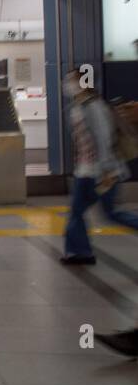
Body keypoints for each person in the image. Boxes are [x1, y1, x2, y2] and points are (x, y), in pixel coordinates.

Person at [60, 68, 138, 265]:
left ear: (83, 83)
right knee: (77, 212)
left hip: (103, 172)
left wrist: (107, 171)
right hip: (85, 172)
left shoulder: (94, 106)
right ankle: (80, 253)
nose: (67, 84)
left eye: (71, 80)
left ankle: (80, 251)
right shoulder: (76, 107)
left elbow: (104, 141)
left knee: (111, 213)